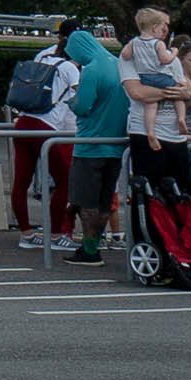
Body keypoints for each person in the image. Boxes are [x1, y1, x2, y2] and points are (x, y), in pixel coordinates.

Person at [11, 23, 83, 250]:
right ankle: (55, 235)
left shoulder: (42, 58)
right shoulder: (70, 68)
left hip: (23, 122)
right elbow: (81, 99)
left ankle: (27, 233)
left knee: (21, 182)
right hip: (46, 127)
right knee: (64, 181)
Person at [63, 24, 128, 266]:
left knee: (86, 201)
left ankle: (90, 251)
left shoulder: (92, 70)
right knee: (104, 201)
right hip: (115, 145)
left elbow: (83, 105)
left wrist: (71, 102)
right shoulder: (119, 65)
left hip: (90, 144)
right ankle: (92, 246)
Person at [121, 8, 182, 156]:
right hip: (159, 77)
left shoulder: (134, 42)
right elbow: (137, 93)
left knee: (151, 104)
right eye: (163, 25)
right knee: (179, 92)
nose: (166, 29)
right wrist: (174, 52)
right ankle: (181, 118)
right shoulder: (159, 44)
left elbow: (125, 54)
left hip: (145, 77)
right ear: (155, 27)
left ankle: (151, 131)